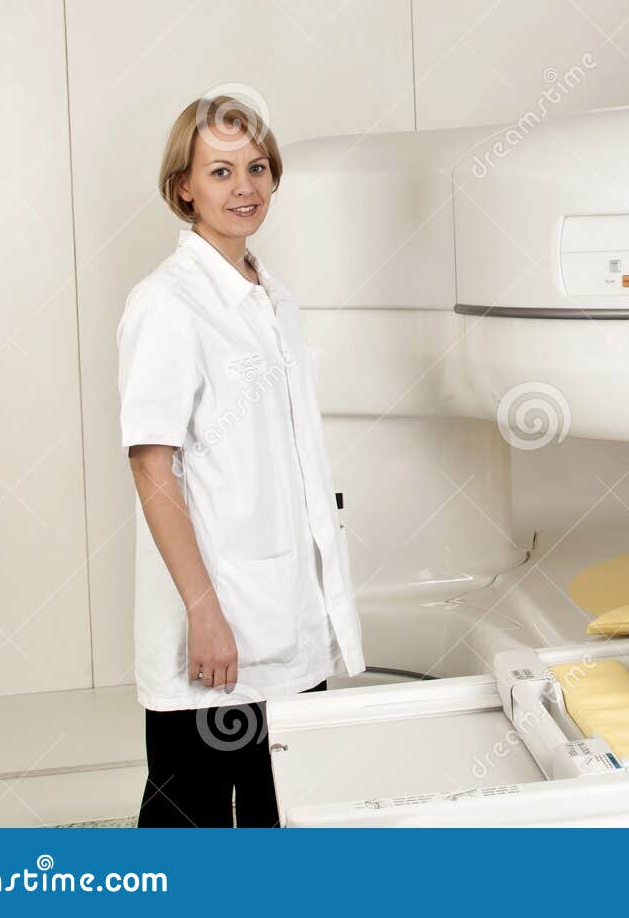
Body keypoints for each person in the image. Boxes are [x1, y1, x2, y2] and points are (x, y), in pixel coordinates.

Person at [118, 95, 364, 827]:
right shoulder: (168, 302)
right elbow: (151, 466)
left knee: (280, 814)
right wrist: (204, 610)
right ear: (184, 186)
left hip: (287, 615)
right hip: (216, 622)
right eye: (220, 171)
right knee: (188, 826)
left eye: (256, 167)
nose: (243, 186)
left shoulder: (272, 295)